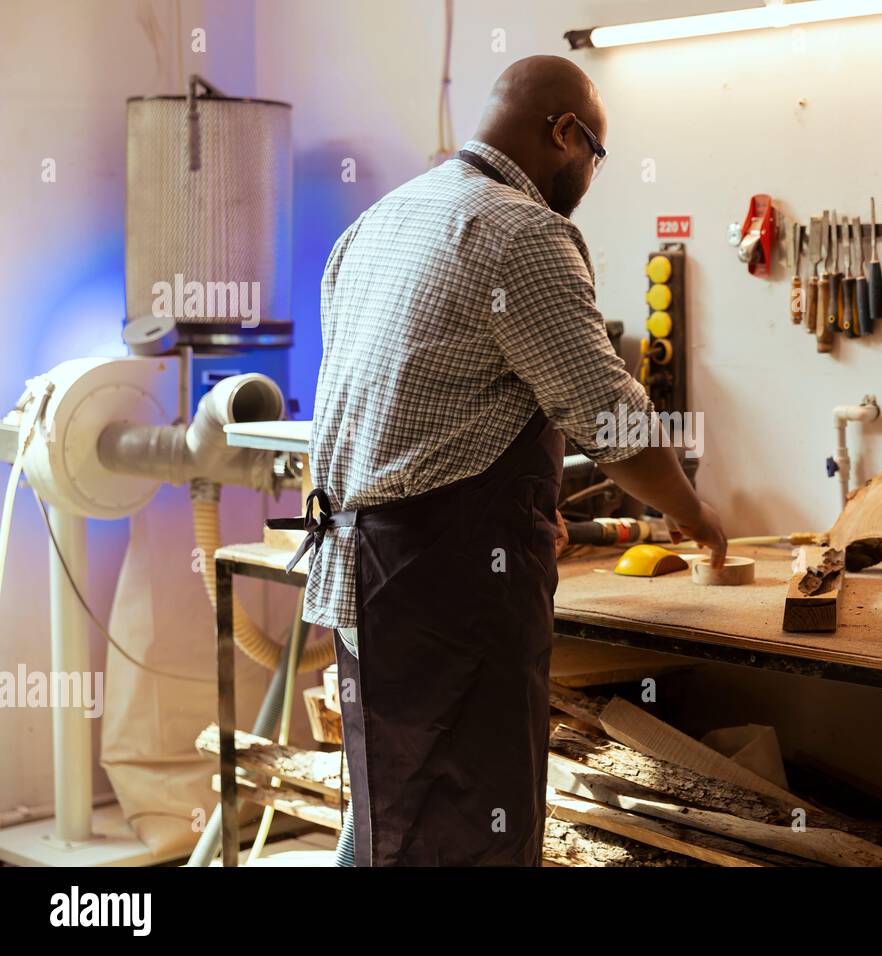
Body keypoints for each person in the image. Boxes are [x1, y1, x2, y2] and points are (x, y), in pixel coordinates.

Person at [294, 55, 726, 866]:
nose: (592, 178)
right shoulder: (524, 230)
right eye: (596, 156)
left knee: (393, 813)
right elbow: (610, 418)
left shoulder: (381, 219)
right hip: (445, 595)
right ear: (565, 133)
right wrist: (693, 514)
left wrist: (523, 510)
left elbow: (419, 398)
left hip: (369, 574)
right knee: (468, 830)